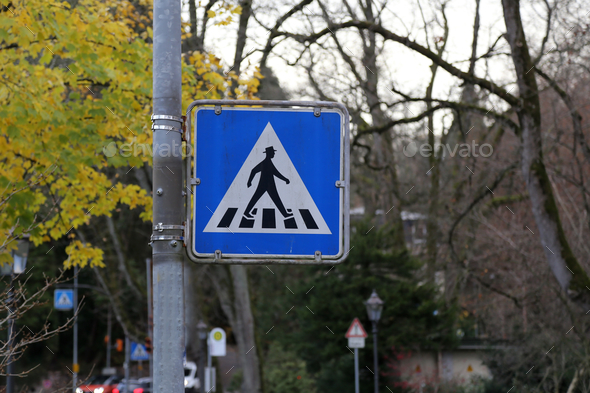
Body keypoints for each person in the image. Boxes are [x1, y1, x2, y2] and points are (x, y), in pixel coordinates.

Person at [244, 146, 292, 218]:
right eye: (273, 152)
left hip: (268, 184)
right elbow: (253, 170)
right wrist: (249, 181)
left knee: (275, 198)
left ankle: (285, 213)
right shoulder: (266, 163)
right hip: (265, 184)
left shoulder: (268, 162)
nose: (274, 154)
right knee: (273, 198)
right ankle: (285, 214)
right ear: (269, 153)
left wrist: (285, 179)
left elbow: (275, 172)